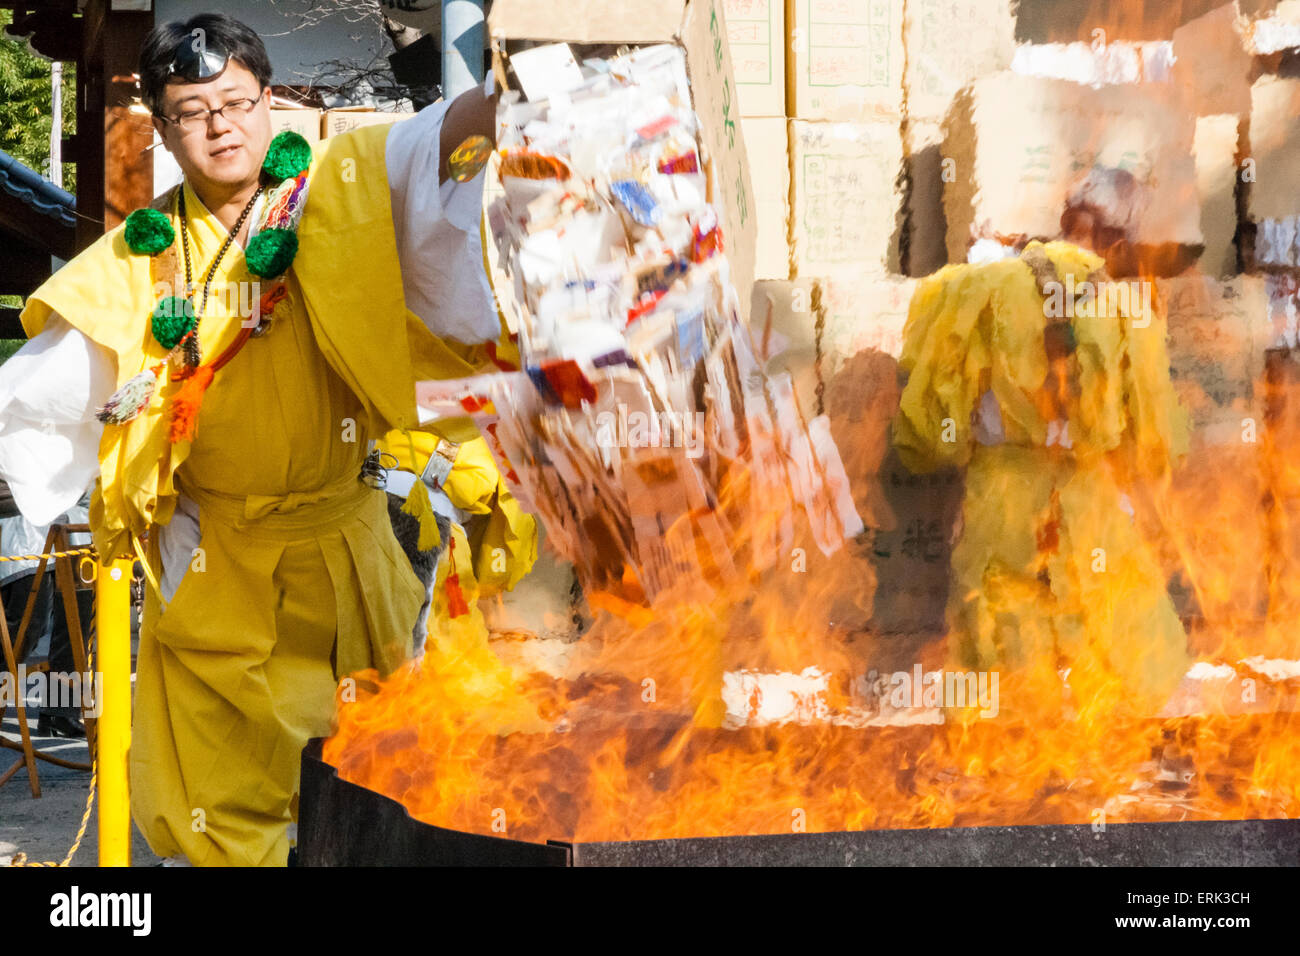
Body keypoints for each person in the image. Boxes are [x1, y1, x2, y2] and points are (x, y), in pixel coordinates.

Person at [0, 13, 505, 865]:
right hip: (218, 567)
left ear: (268, 101)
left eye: (236, 101)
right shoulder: (137, 258)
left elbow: (435, 148)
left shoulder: (339, 192)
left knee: (380, 793)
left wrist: (506, 90)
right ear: (161, 127)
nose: (219, 125)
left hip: (347, 555)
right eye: (192, 111)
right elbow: (35, 394)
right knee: (227, 817)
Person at [893, 168, 1191, 717]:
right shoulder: (1129, 313)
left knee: (998, 660)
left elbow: (930, 425)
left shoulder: (976, 289)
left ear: (1062, 221)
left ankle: (1006, 775)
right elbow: (1155, 443)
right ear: (1119, 243)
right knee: (1117, 654)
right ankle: (1091, 773)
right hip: (1090, 504)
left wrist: (958, 456)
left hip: (1001, 504)